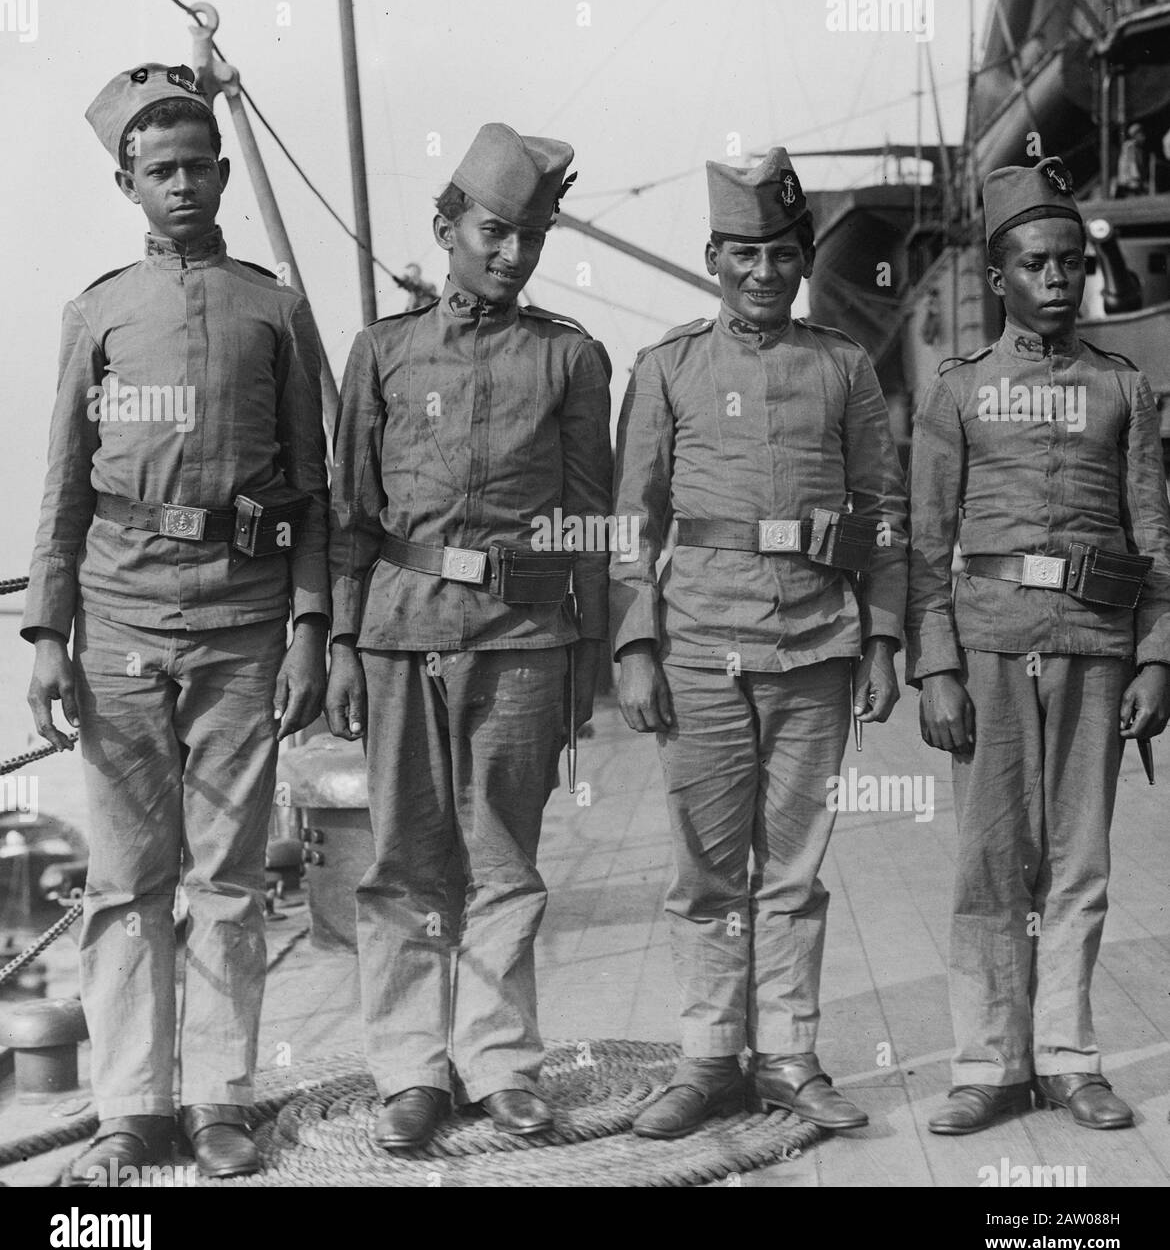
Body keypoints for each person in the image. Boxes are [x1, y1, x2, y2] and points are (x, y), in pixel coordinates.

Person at [23, 63, 330, 1183]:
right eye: (162, 172)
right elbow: (60, 486)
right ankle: (129, 1105)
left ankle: (218, 1099)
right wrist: (48, 635)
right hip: (119, 623)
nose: (185, 186)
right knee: (124, 881)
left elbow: (314, 484)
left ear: (224, 171)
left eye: (202, 167)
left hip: (245, 625)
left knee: (230, 881)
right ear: (127, 181)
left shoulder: (275, 311)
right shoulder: (96, 313)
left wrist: (308, 624)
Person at [610, 148, 908, 1139]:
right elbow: (630, 520)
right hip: (699, 641)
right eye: (745, 253)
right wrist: (635, 640)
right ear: (713, 258)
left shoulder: (845, 367)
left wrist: (884, 637)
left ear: (804, 258)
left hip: (818, 642)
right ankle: (707, 1059)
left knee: (793, 870)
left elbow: (883, 511)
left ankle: (787, 1055)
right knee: (704, 869)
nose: (765, 272)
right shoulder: (668, 369)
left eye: (783, 253)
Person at [326, 123, 612, 1150]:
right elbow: (351, 515)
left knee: (504, 859)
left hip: (525, 637)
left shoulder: (571, 359)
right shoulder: (383, 354)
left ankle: (497, 1061)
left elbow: (589, 521)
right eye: (494, 231)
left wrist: (586, 657)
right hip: (402, 633)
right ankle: (409, 1068)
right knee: (404, 859)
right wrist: (341, 646)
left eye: (531, 237)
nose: (512, 254)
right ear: (446, 227)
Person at [907, 156, 1170, 1135]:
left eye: (1069, 263)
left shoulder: (1122, 392)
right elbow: (927, 546)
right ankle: (988, 1063)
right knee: (990, 863)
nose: (1057, 280)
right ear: (999, 275)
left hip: (1096, 649)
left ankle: (1067, 1057)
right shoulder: (960, 394)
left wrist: (1157, 656)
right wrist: (935, 668)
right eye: (1035, 265)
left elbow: (1157, 540)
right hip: (990, 647)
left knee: (1080, 861)